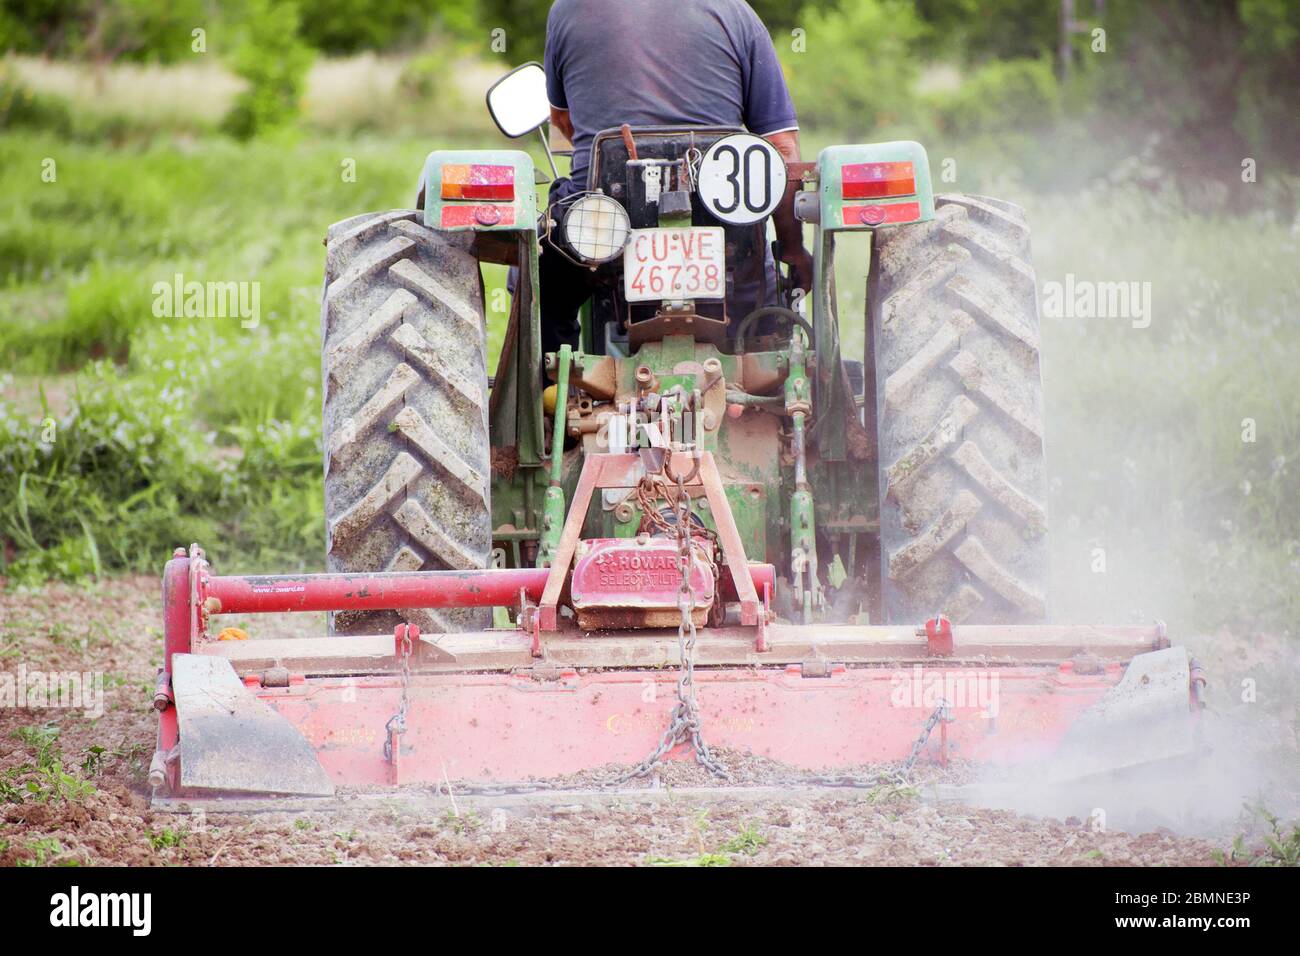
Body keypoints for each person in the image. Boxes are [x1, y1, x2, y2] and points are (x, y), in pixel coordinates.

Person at [539, 0, 813, 352]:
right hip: (728, 233)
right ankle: (770, 385)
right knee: (765, 302)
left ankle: (547, 388)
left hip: (601, 236)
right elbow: (782, 148)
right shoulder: (734, 11)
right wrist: (792, 250)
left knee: (539, 276)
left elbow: (564, 121)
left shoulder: (567, 9)